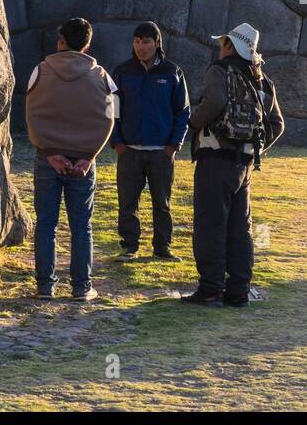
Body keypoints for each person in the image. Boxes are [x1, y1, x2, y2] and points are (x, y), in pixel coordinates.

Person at [183, 22, 284, 308]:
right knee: (240, 227)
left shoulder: (219, 70)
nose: (219, 46)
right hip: (245, 163)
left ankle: (211, 289)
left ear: (229, 45)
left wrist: (194, 121)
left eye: (223, 42)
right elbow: (277, 124)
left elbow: (214, 101)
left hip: (215, 159)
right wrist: (256, 147)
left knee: (210, 224)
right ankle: (239, 289)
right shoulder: (262, 80)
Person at [25, 17, 117, 302]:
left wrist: (50, 152)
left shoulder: (40, 70)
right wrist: (90, 156)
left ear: (60, 40)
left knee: (46, 224)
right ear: (87, 44)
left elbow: (30, 115)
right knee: (81, 226)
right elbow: (109, 119)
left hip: (47, 158)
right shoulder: (101, 75)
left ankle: (45, 286)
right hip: (82, 161)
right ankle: (81, 287)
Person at [110, 22, 191, 262]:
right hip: (129, 150)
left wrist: (174, 145)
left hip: (161, 152)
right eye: (136, 41)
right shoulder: (122, 71)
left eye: (146, 42)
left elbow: (183, 111)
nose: (140, 47)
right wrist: (117, 142)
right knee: (127, 203)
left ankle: (162, 248)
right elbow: (111, 109)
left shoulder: (172, 72)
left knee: (162, 203)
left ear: (157, 43)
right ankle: (129, 246)